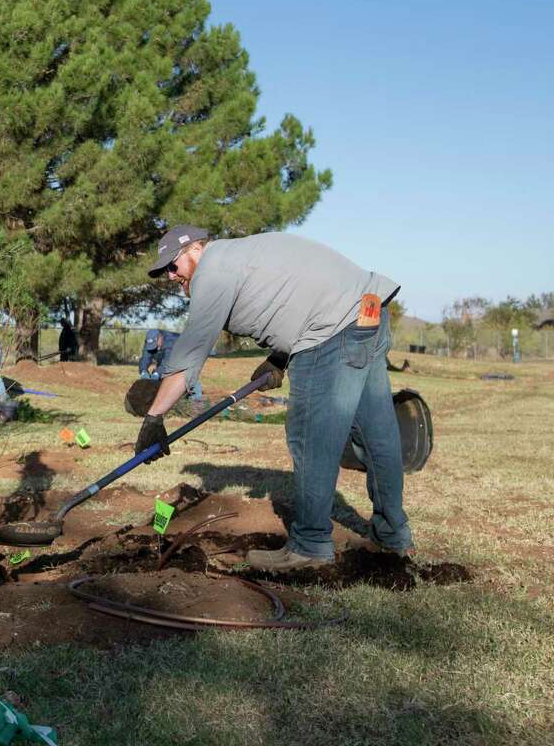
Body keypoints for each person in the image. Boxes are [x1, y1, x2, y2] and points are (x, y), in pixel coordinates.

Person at [136, 225, 412, 571]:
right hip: (368, 313)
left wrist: (154, 417)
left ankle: (310, 546)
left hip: (332, 331)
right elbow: (296, 295)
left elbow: (189, 355)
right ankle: (393, 537)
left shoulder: (212, 270)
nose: (171, 276)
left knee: (310, 436)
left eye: (172, 266)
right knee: (376, 435)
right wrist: (279, 358)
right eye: (165, 272)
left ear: (194, 249)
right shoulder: (241, 254)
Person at [138, 328, 204, 401]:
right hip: (167, 356)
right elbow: (146, 356)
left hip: (185, 352)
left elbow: (167, 362)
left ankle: (196, 398)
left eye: (154, 344)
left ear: (160, 337)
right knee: (161, 377)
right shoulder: (150, 340)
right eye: (151, 345)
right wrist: (143, 371)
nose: (153, 347)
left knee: (187, 374)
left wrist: (156, 373)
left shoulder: (170, 341)